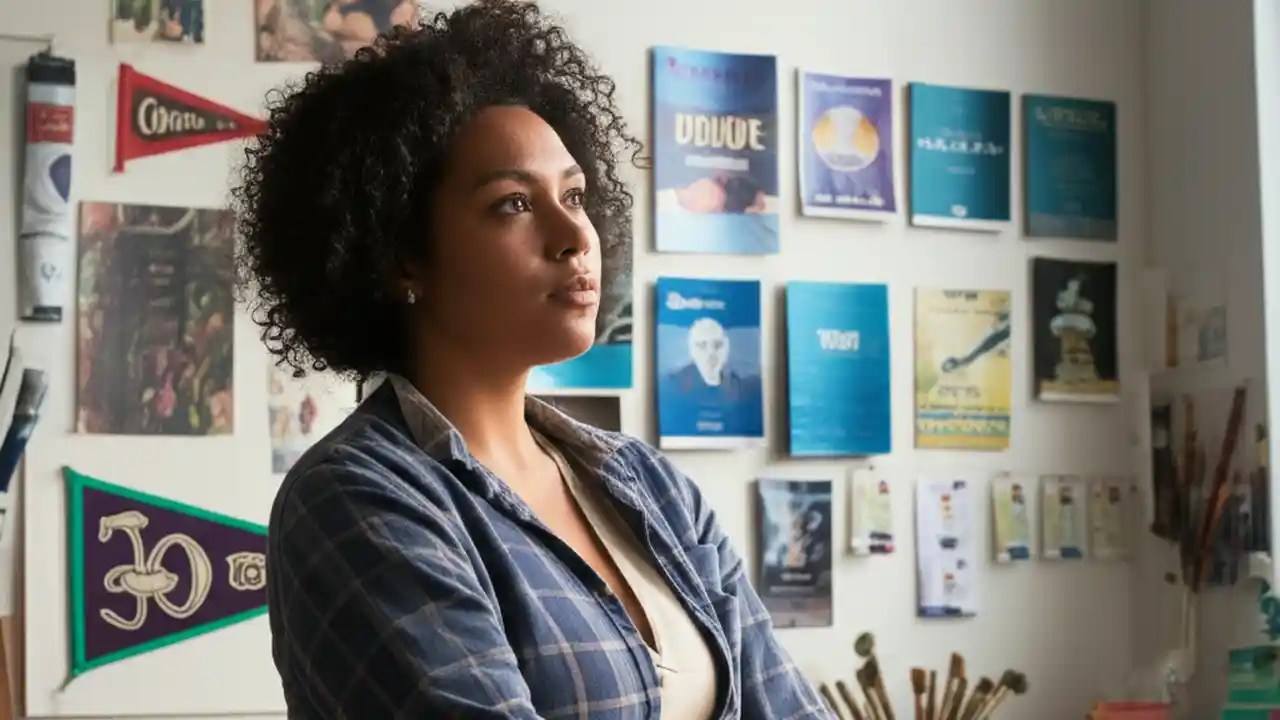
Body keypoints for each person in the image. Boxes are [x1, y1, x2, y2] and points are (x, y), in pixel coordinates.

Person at [233, 2, 831, 718]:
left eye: (574, 195)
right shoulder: (358, 498)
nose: (573, 234)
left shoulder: (651, 487)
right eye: (513, 203)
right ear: (399, 257)